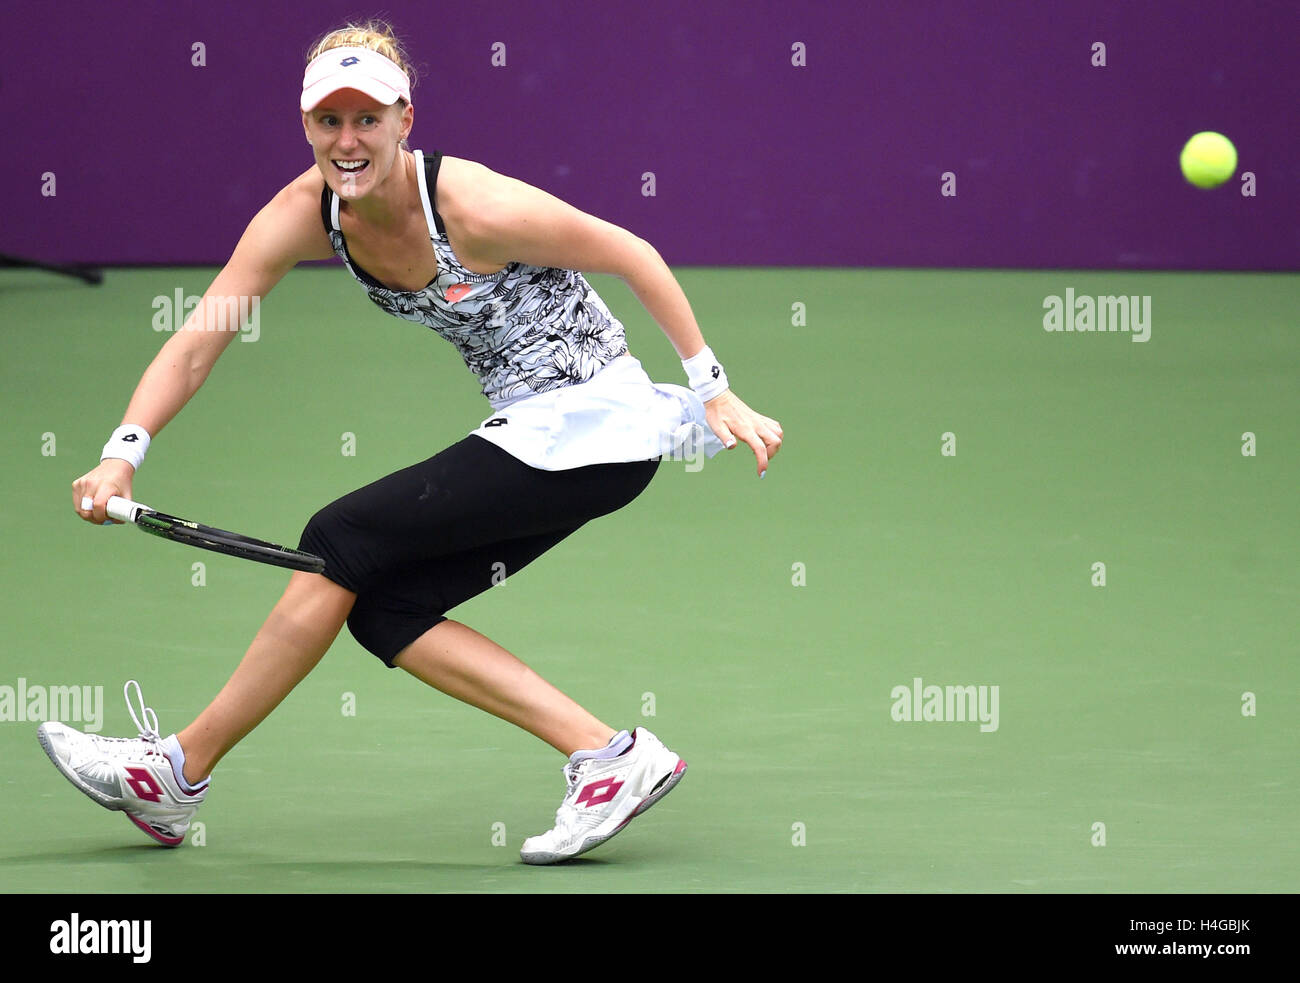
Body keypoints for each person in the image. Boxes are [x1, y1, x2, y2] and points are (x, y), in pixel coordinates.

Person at [39, 20, 782, 865]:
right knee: (382, 605)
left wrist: (714, 390)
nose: (347, 141)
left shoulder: (472, 205)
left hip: (592, 421)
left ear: (405, 120)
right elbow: (201, 335)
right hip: (536, 432)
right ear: (307, 125)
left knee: (340, 538)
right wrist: (121, 451)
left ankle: (175, 770)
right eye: (329, 121)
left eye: (368, 119)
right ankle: (611, 758)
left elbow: (632, 251)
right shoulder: (304, 213)